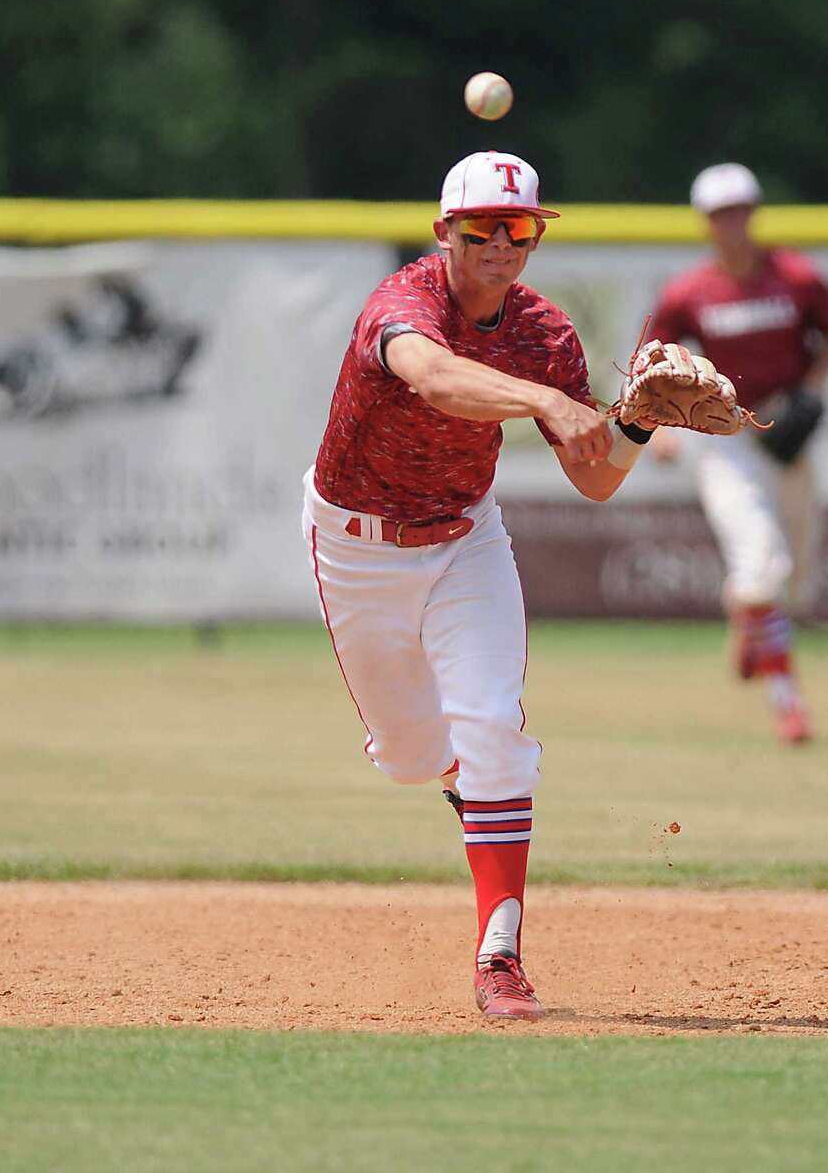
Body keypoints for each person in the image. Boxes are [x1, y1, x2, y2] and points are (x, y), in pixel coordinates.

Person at [301, 151, 660, 1020]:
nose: (500, 242)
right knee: (410, 758)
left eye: (518, 226)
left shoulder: (546, 333)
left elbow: (595, 479)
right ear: (444, 233)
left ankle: (500, 954)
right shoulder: (402, 302)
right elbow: (434, 378)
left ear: (535, 237)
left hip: (467, 539)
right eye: (480, 227)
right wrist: (545, 401)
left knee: (494, 726)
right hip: (358, 549)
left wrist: (638, 426)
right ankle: (465, 779)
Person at [648, 163, 828, 744]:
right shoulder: (689, 292)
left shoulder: (795, 276)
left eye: (738, 211)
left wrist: (813, 387)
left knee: (798, 579)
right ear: (706, 222)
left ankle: (748, 616)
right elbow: (654, 355)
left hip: (787, 436)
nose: (731, 223)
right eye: (720, 215)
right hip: (727, 437)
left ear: (753, 213)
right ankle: (789, 704)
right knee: (761, 565)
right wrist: (659, 428)